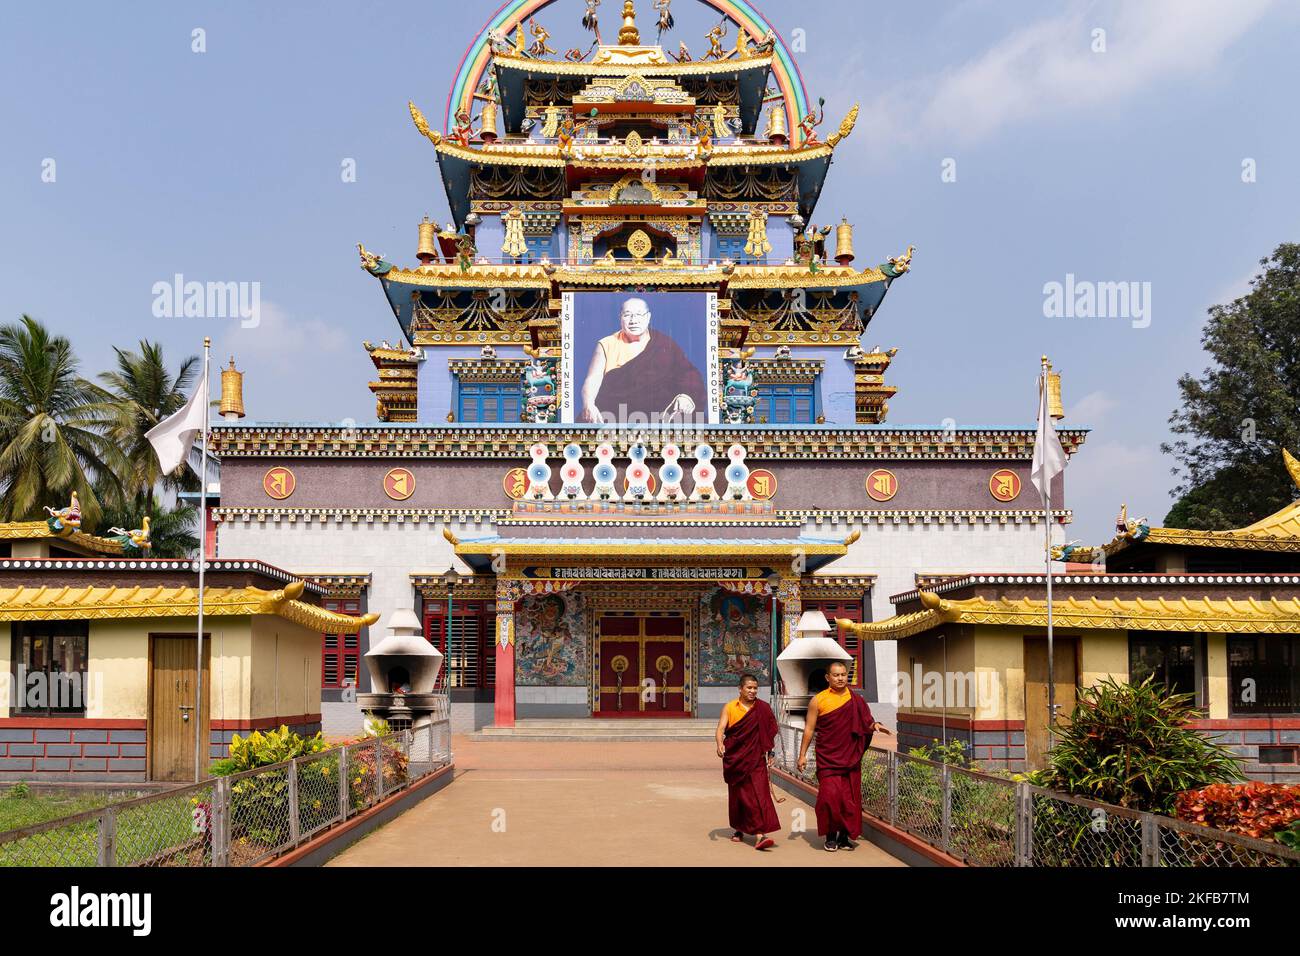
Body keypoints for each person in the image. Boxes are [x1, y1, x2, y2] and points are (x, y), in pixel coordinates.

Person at [796, 661, 892, 851]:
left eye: (843, 675)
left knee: (849, 800)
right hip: (828, 757)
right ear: (828, 678)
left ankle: (844, 837)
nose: (840, 678)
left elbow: (867, 722)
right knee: (829, 798)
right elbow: (809, 728)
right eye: (836, 675)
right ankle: (830, 835)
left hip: (850, 759)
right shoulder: (818, 700)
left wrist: (876, 726)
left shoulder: (856, 700)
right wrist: (802, 755)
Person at [580, 297, 707, 423]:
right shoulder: (607, 344)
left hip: (660, 417)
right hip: (616, 415)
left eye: (639, 315)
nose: (633, 320)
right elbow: (593, 379)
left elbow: (688, 374)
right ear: (620, 317)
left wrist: (686, 396)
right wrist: (588, 404)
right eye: (627, 315)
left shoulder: (664, 344)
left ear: (648, 317)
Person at [716, 673, 780, 850]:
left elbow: (768, 732)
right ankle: (739, 828)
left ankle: (760, 834)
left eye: (755, 688)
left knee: (760, 795)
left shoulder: (763, 708)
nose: (752, 691)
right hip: (736, 759)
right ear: (740, 689)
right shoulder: (730, 707)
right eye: (749, 688)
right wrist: (719, 744)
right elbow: (721, 728)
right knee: (739, 796)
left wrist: (771, 752)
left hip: (756, 758)